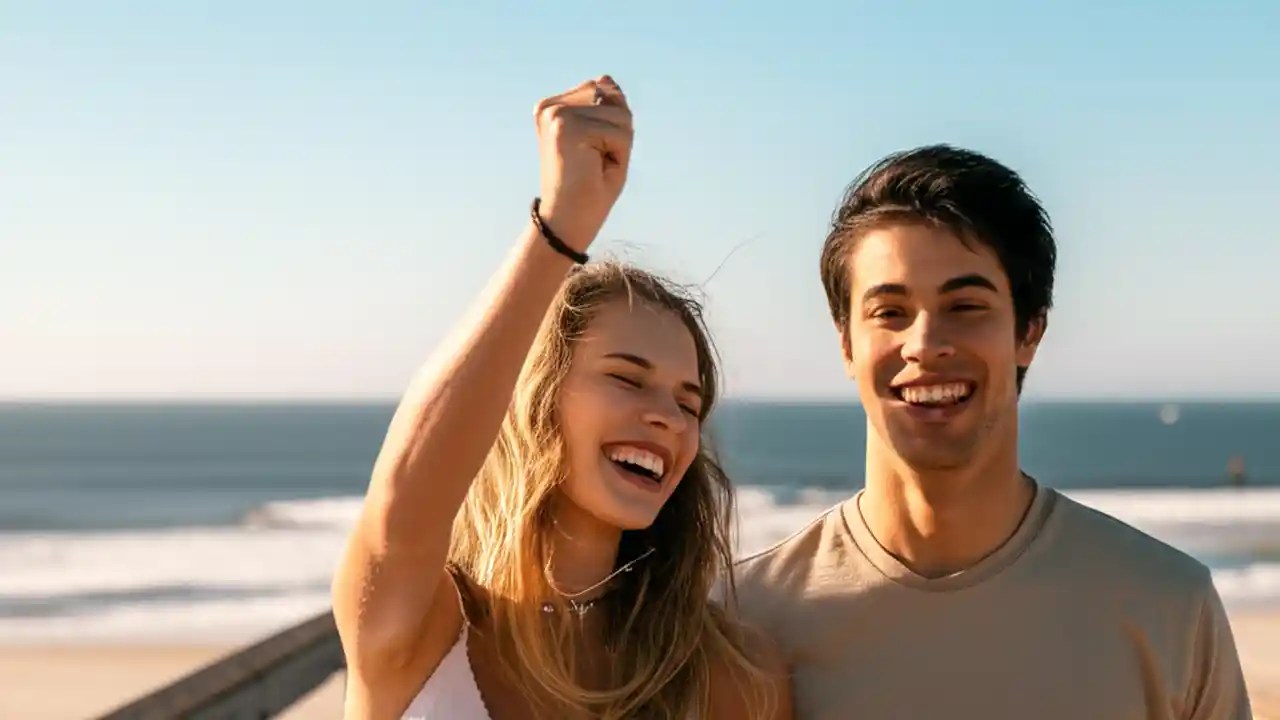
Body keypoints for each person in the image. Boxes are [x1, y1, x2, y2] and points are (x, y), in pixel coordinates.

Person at [728, 145, 1252, 718]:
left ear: (1029, 330)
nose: (924, 345)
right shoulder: (745, 621)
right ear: (846, 342)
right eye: (890, 312)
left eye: (966, 305)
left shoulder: (1169, 609)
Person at [332, 75, 791, 720]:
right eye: (627, 378)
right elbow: (401, 508)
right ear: (535, 399)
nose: (667, 416)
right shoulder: (421, 635)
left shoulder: (729, 676)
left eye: (689, 404)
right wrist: (560, 228)